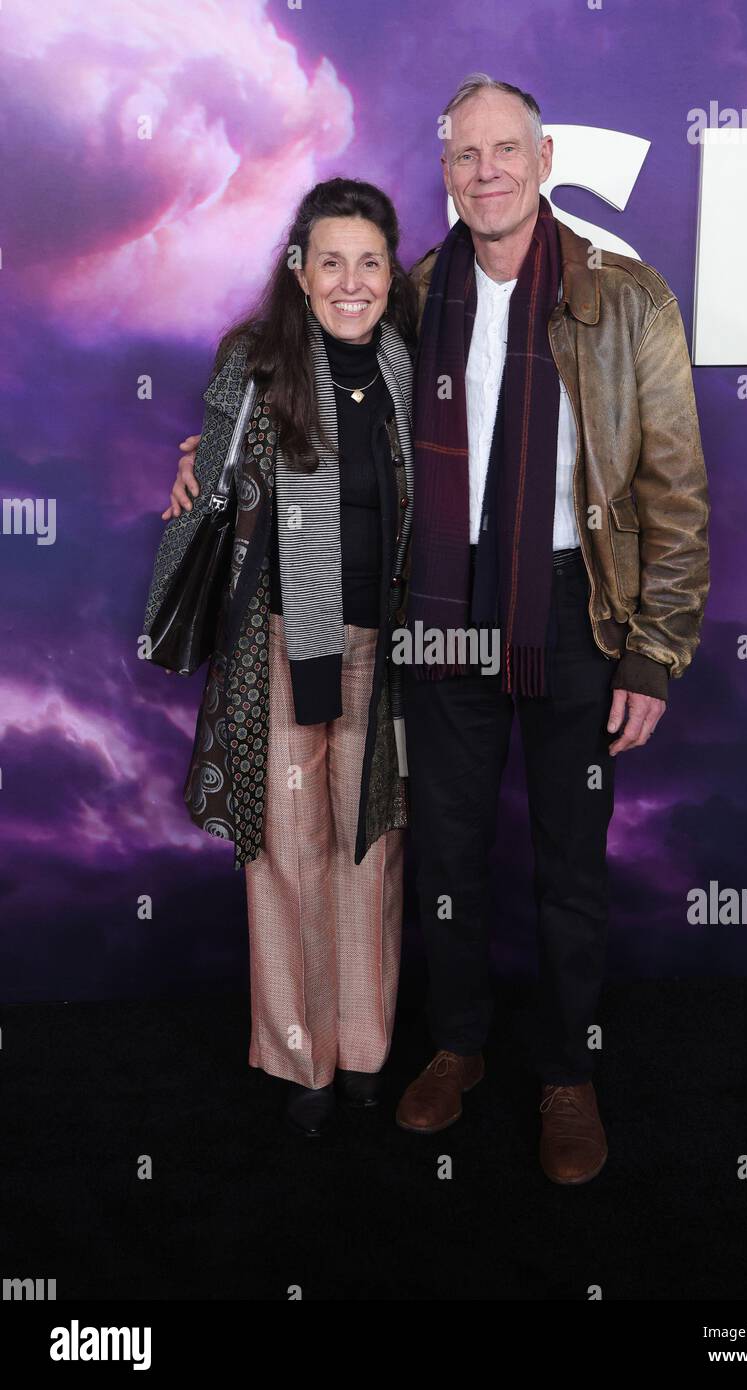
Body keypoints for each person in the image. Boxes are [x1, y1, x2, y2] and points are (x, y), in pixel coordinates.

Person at [168, 77, 710, 1186]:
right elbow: (326, 394)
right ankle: (456, 1046)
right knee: (442, 853)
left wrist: (655, 647)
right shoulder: (418, 292)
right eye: (466, 156)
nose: (486, 172)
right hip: (440, 615)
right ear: (448, 171)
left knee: (568, 863)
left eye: (505, 151)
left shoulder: (627, 298)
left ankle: (565, 1074)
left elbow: (676, 490)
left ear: (544, 158)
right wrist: (210, 465)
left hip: (571, 609)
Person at [144, 178, 416, 1137]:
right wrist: (194, 464)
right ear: (299, 274)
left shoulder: (411, 363)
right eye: (329, 261)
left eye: (369, 261)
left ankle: (365, 1051)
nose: (351, 281)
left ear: (392, 272)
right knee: (285, 856)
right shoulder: (254, 361)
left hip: (385, 647)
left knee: (370, 847)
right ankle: (300, 1059)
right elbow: (211, 474)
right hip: (277, 639)